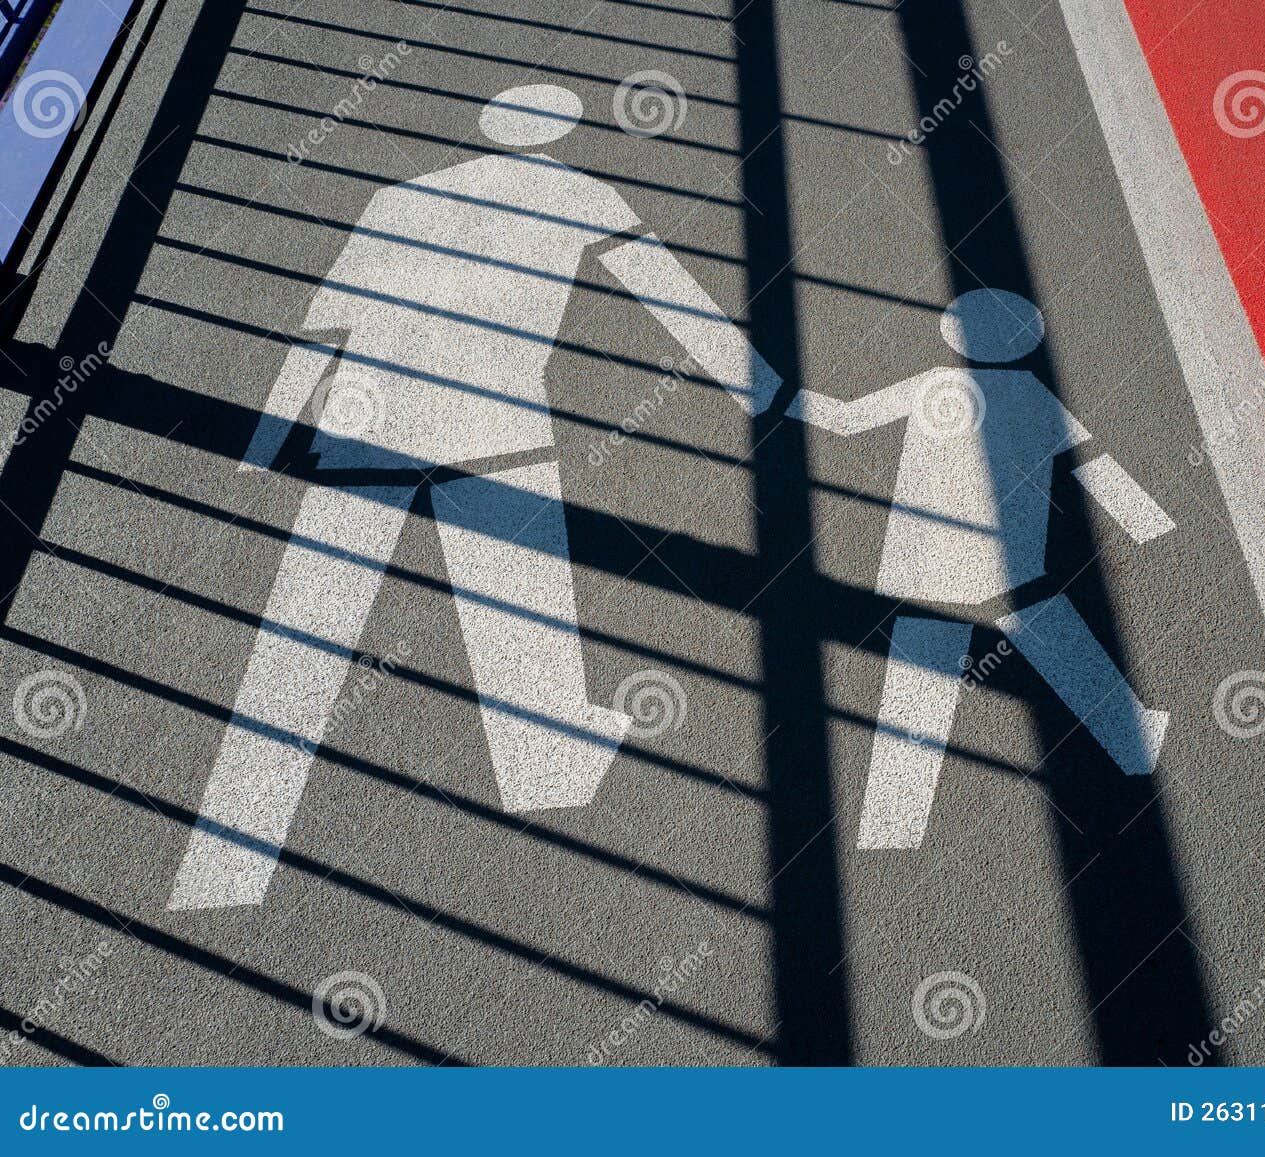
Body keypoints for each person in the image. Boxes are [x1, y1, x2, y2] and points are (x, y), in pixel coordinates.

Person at [169, 85, 779, 910]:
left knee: (304, 629)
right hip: (494, 425)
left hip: (365, 423)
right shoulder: (577, 194)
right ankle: (549, 766)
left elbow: (327, 320)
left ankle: (227, 850)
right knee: (519, 611)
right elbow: (675, 303)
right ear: (559, 131)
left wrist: (267, 438)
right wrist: (770, 396)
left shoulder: (402, 196)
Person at [786, 288, 1173, 849]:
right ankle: (1132, 744)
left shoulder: (932, 388)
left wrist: (783, 398)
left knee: (921, 677)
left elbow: (847, 421)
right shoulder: (1035, 396)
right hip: (1010, 570)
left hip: (922, 568)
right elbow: (1093, 467)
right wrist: (1145, 520)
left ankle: (894, 816)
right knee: (1052, 633)